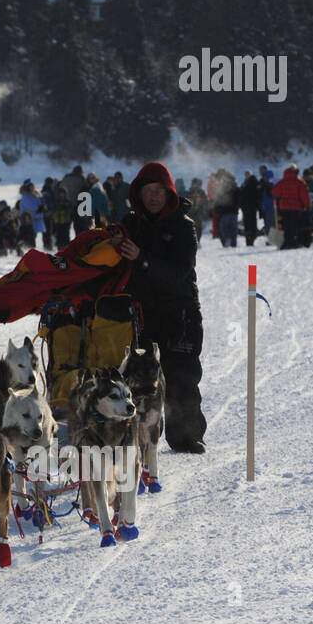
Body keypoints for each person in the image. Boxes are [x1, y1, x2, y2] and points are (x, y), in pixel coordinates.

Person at [115, 162, 206, 454]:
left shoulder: (184, 227)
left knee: (182, 378)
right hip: (142, 315)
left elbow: (180, 273)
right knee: (141, 379)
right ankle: (140, 438)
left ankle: (186, 436)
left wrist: (141, 258)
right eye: (148, 191)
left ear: (169, 194)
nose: (154, 196)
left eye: (159, 191)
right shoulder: (130, 225)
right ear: (138, 194)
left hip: (180, 314)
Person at [271, 165, 311, 250]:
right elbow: (304, 195)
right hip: (296, 207)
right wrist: (306, 206)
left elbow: (275, 192)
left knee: (286, 225)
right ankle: (294, 242)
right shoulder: (299, 182)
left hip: (284, 206)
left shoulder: (282, 181)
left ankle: (287, 242)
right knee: (295, 225)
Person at [212, 169, 239, 247]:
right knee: (232, 229)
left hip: (226, 212)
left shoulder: (224, 188)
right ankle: (233, 243)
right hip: (232, 212)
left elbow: (219, 199)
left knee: (225, 229)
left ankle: (228, 242)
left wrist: (217, 208)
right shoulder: (235, 188)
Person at [17, 181, 46, 250]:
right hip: (28, 219)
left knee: (33, 235)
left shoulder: (35, 195)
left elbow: (39, 203)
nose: (32, 188)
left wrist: (42, 207)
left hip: (35, 218)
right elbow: (29, 207)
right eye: (31, 187)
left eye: (33, 187)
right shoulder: (25, 197)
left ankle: (30, 247)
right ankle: (26, 247)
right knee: (28, 234)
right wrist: (39, 208)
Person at [238, 170, 261, 247]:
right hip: (246, 207)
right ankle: (249, 239)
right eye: (246, 174)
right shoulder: (245, 183)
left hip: (251, 206)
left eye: (248, 174)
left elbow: (256, 194)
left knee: (251, 223)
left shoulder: (253, 182)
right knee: (248, 223)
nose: (246, 176)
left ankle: (251, 238)